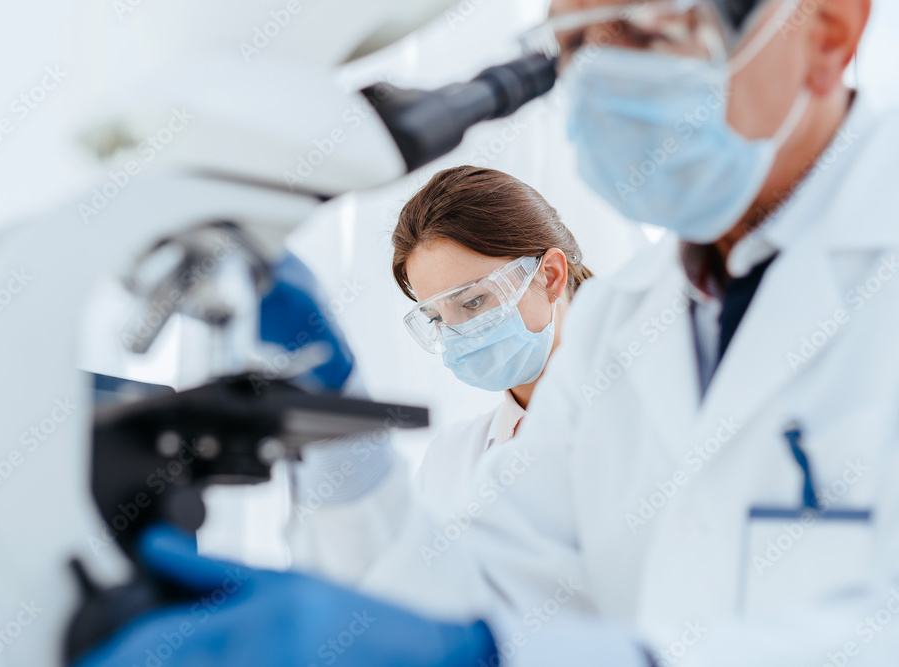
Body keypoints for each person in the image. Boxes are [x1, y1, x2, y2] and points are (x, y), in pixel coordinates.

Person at [80, 0, 899, 665]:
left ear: (827, 31)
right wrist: (343, 454)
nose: (607, 85)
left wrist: (476, 652)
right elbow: (491, 594)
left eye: (648, 32)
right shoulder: (633, 323)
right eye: (576, 45)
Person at [393, 165, 592, 510]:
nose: (458, 334)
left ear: (550, 275)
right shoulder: (448, 460)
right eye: (437, 318)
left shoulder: (657, 403)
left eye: (472, 301)